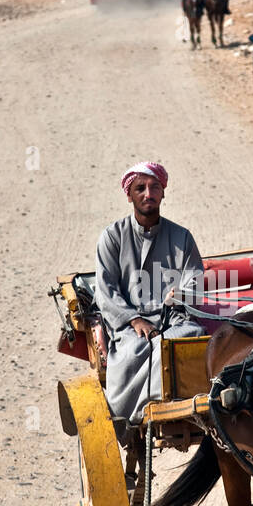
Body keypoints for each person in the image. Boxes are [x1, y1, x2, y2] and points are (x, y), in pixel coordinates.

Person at [95, 161, 206, 431]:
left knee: (191, 339)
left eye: (155, 187)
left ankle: (186, 406)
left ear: (163, 192)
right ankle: (129, 418)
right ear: (129, 194)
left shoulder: (182, 237)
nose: (148, 193)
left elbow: (196, 281)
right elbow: (106, 290)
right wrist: (134, 320)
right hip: (129, 326)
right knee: (133, 352)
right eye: (140, 188)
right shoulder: (112, 237)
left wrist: (183, 294)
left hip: (174, 320)